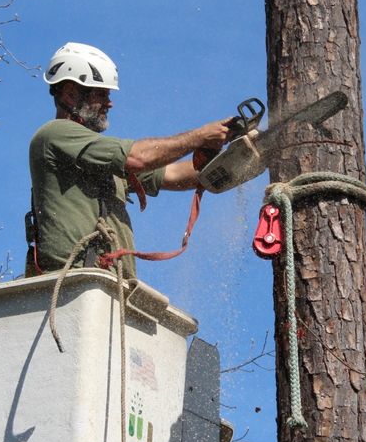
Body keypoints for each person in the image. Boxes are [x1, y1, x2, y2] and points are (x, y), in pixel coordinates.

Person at [26, 42, 234, 278]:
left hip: (107, 283)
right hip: (75, 282)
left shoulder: (99, 158)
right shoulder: (55, 134)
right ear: (71, 93)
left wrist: (243, 155)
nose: (109, 102)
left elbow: (176, 175)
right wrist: (200, 137)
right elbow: (139, 158)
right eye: (101, 94)